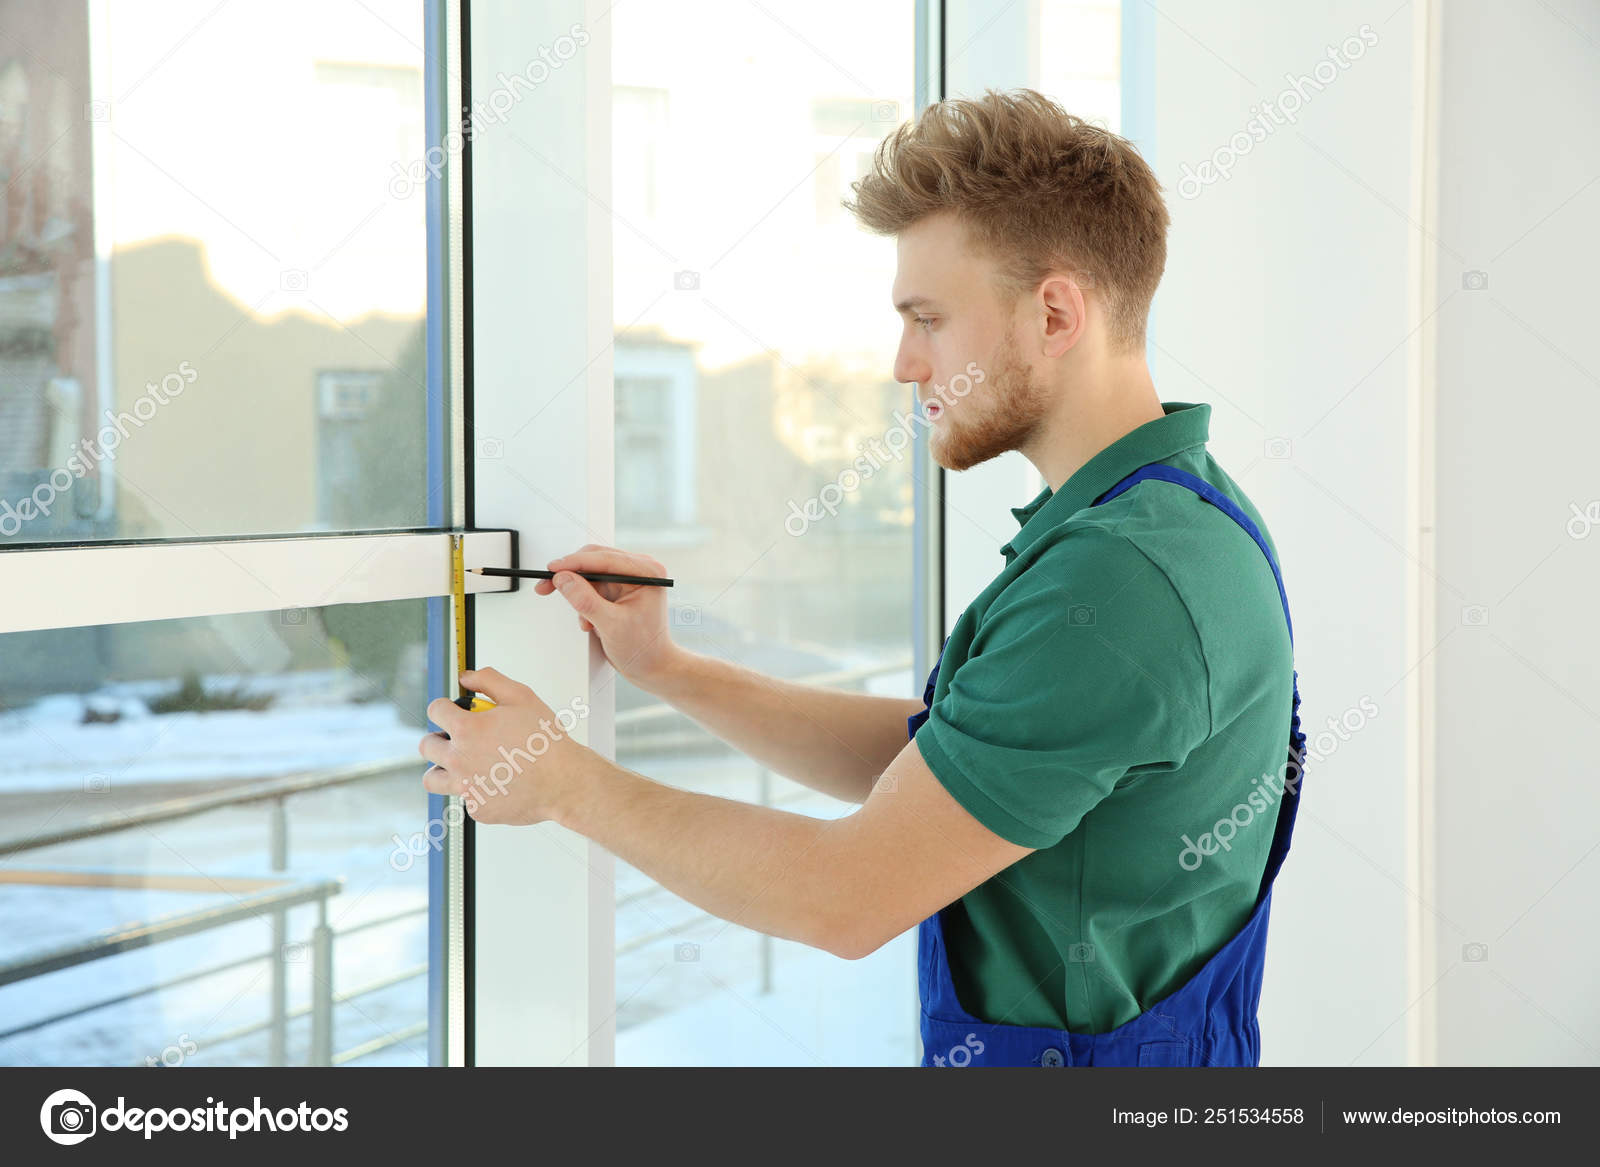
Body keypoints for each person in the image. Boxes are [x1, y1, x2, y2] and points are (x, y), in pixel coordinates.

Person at [418, 88, 1304, 1067]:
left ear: (1054, 312)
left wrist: (563, 786)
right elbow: (947, 767)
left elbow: (843, 898)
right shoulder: (1169, 513)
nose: (902, 363)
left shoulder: (1122, 580)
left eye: (927, 319)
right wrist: (668, 670)